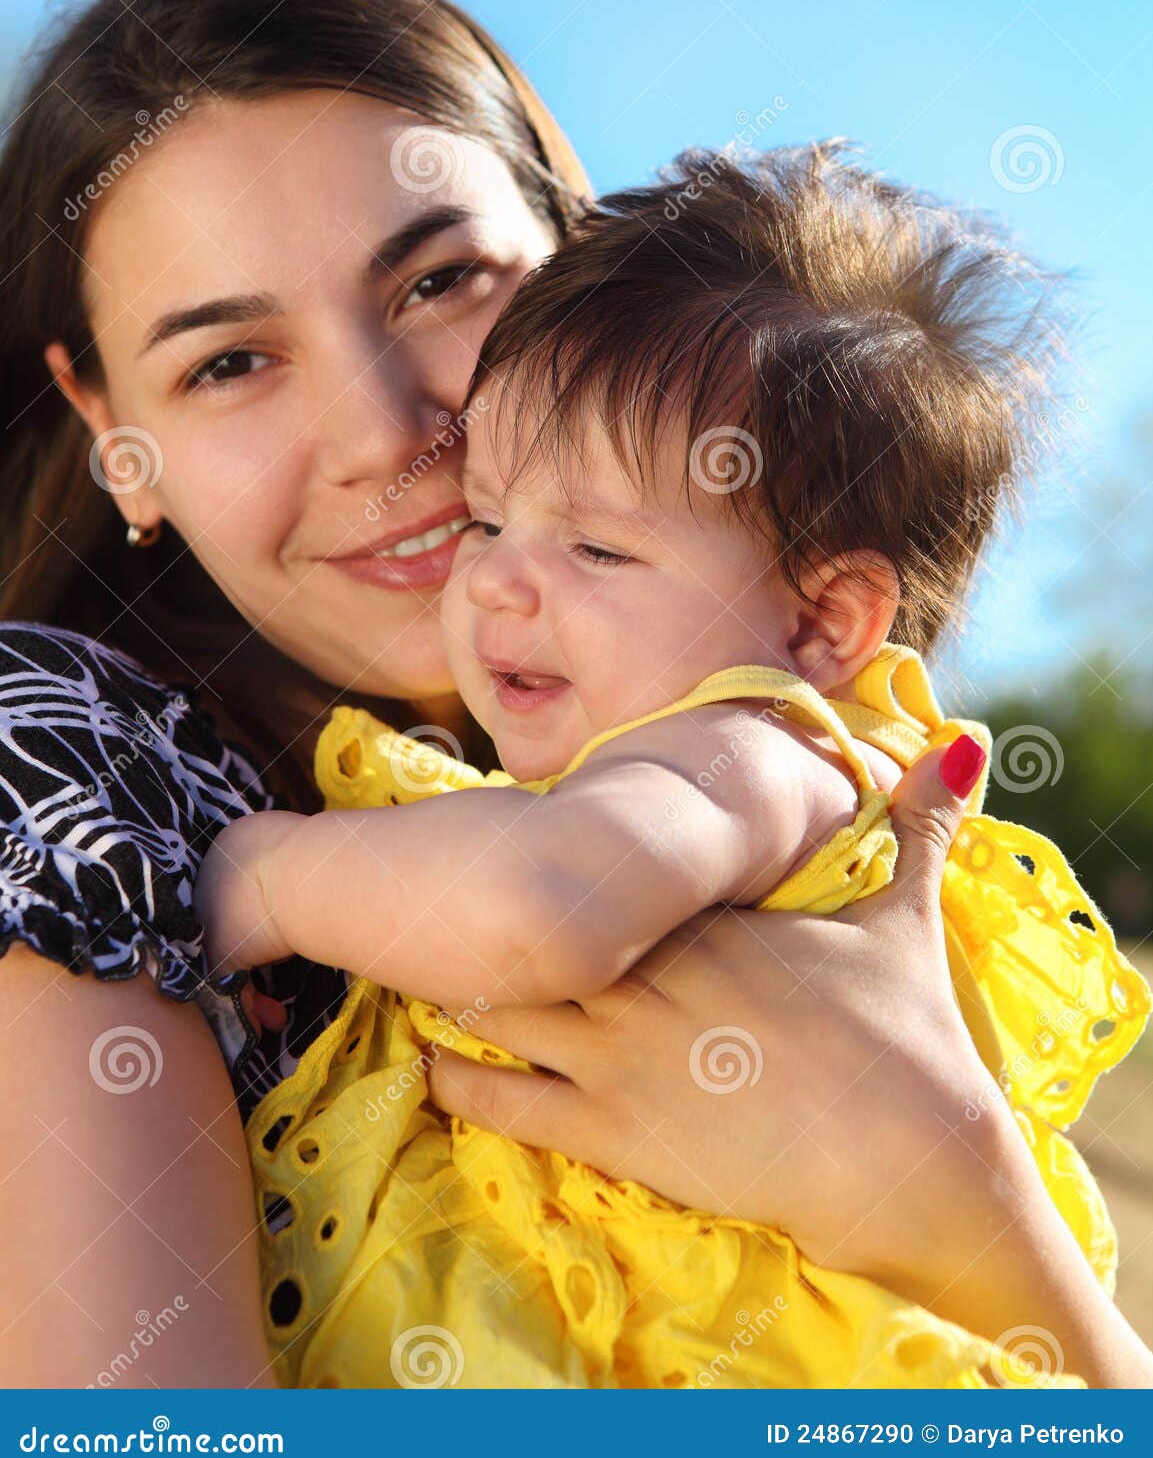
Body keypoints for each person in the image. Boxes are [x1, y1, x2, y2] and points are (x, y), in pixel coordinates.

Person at [0, 0, 1149, 1391]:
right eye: (229, 361)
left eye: (438, 282)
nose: (387, 435)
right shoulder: (61, 777)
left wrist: (958, 1193)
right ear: (114, 432)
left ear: (573, 256)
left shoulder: (742, 745)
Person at [199, 147, 1150, 1387]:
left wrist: (267, 877)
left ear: (821, 625)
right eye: (487, 518)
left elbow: (539, 901)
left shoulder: (759, 745)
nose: (493, 580)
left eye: (595, 547)